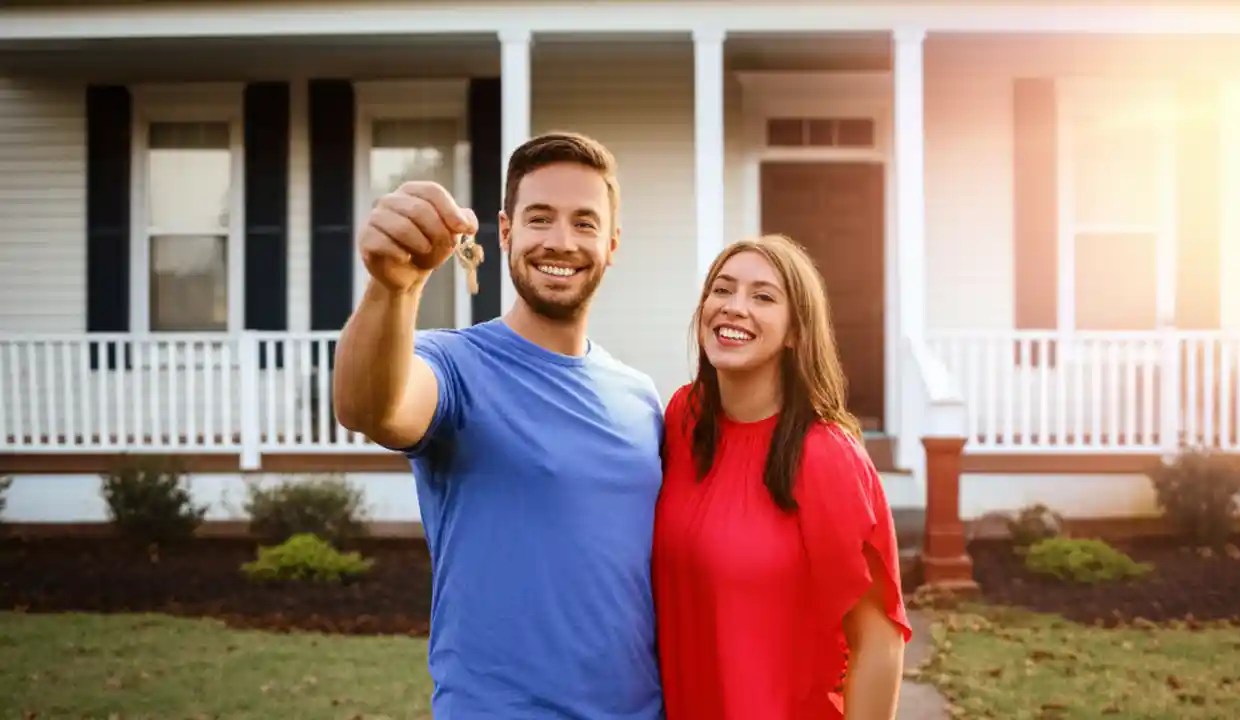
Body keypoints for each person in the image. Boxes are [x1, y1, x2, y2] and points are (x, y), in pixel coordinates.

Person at [333, 132, 665, 720]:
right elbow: (370, 408)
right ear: (506, 232)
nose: (561, 242)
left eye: (585, 223)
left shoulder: (640, 397)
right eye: (540, 219)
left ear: (612, 245)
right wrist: (394, 289)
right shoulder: (456, 367)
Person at [652, 234, 912, 719]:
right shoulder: (684, 419)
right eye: (722, 290)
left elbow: (880, 641)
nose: (734, 308)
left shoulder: (827, 457)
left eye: (763, 297)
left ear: (796, 331)